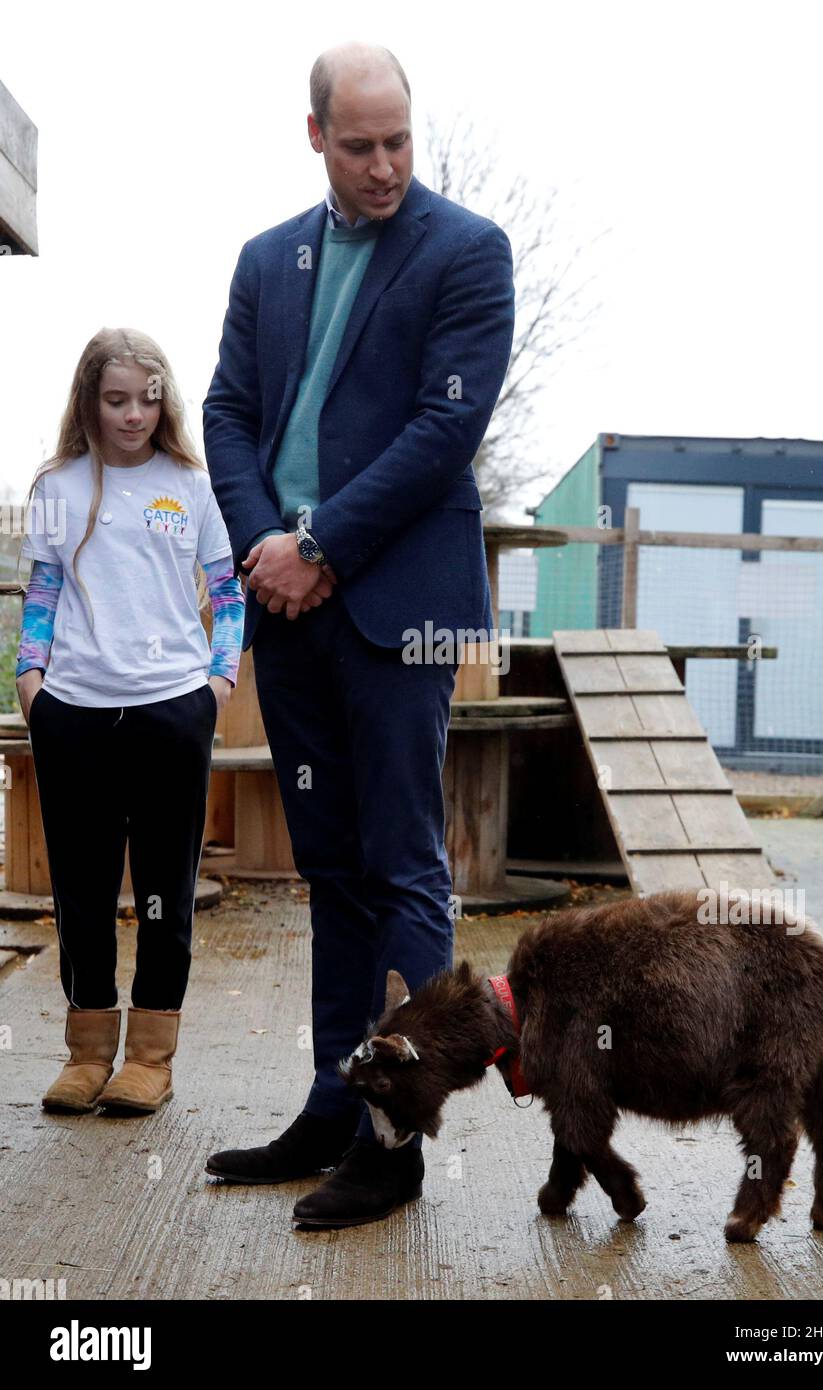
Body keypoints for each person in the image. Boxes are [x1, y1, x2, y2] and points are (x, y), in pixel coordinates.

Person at [202, 40, 515, 1227]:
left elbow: (443, 434)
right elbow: (228, 412)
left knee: (399, 870)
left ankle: (394, 1142)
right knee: (328, 870)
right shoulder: (262, 261)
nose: (384, 166)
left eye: (399, 142)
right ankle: (334, 1107)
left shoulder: (465, 251)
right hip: (287, 610)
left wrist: (319, 545)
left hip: (396, 614)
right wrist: (263, 550)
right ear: (315, 135)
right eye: (359, 144)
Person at [16, 327, 244, 1115]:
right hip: (72, 710)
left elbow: (228, 591)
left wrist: (217, 683)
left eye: (149, 399)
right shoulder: (58, 486)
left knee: (162, 891)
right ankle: (85, 1053)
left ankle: (150, 1057)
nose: (134, 415)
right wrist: (30, 679)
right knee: (80, 891)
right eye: (117, 399)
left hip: (171, 709)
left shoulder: (189, 483)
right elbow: (41, 592)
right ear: (88, 399)